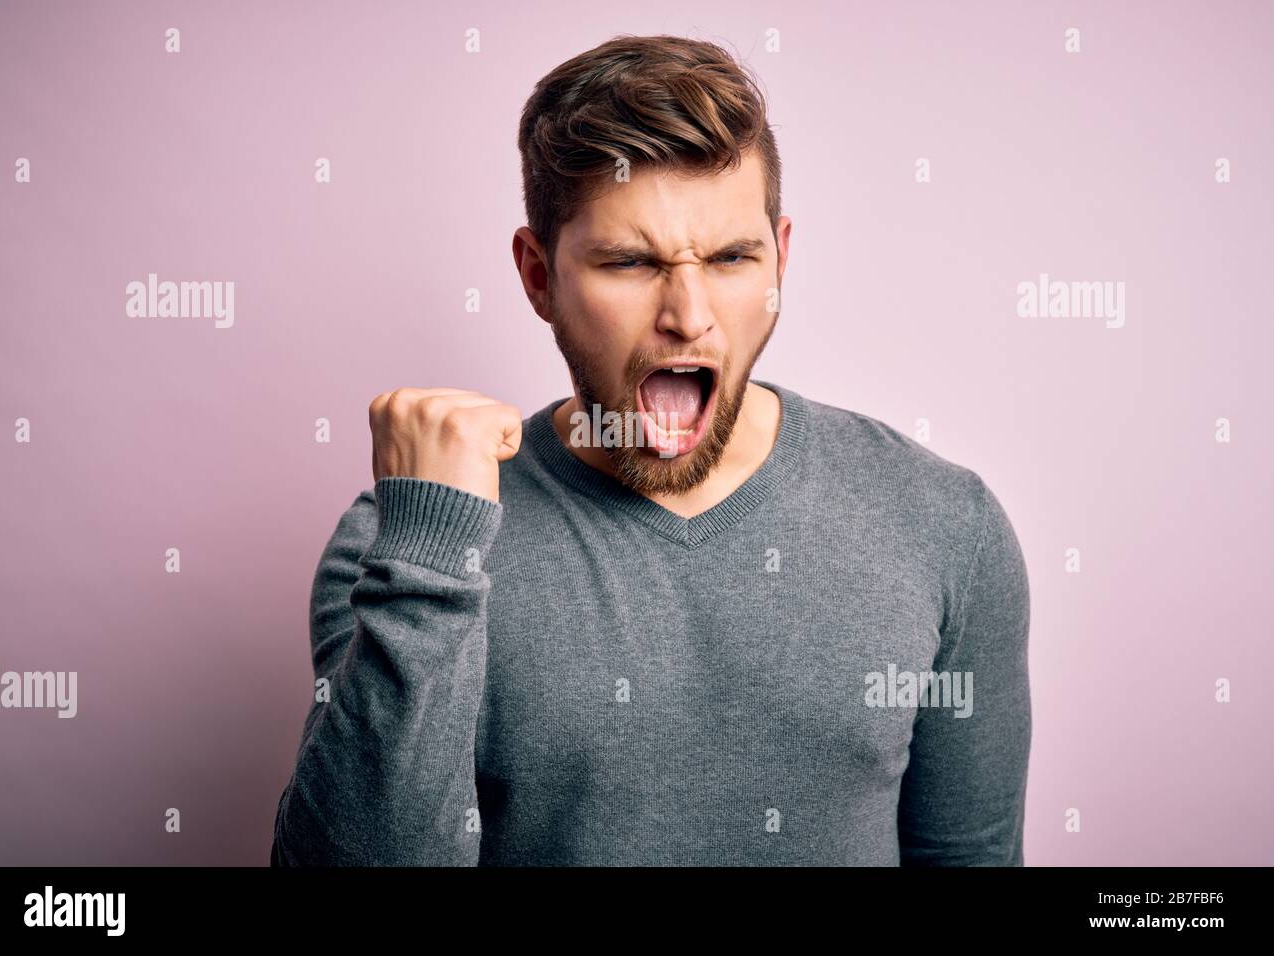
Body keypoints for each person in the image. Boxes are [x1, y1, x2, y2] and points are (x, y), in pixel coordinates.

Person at [270, 33, 1031, 866]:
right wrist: (428, 558)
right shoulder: (403, 543)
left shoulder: (944, 524)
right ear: (538, 276)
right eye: (631, 262)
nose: (690, 315)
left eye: (733, 258)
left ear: (780, 260)